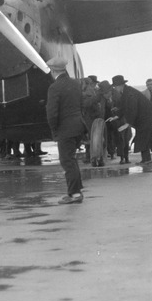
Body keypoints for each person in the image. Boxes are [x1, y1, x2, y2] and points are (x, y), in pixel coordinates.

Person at [45, 56, 84, 204]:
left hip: (65, 129)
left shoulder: (55, 87)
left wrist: (54, 130)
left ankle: (74, 194)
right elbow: (81, 105)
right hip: (78, 126)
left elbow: (52, 113)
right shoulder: (75, 84)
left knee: (67, 161)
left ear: (53, 70)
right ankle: (77, 190)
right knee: (71, 160)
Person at [111, 75, 152, 164]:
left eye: (115, 86)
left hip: (148, 116)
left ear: (120, 85)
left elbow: (133, 109)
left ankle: (147, 160)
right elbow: (124, 106)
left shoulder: (129, 93)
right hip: (145, 116)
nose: (114, 88)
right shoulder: (125, 92)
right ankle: (146, 159)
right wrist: (117, 116)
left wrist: (128, 123)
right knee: (142, 136)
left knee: (142, 136)